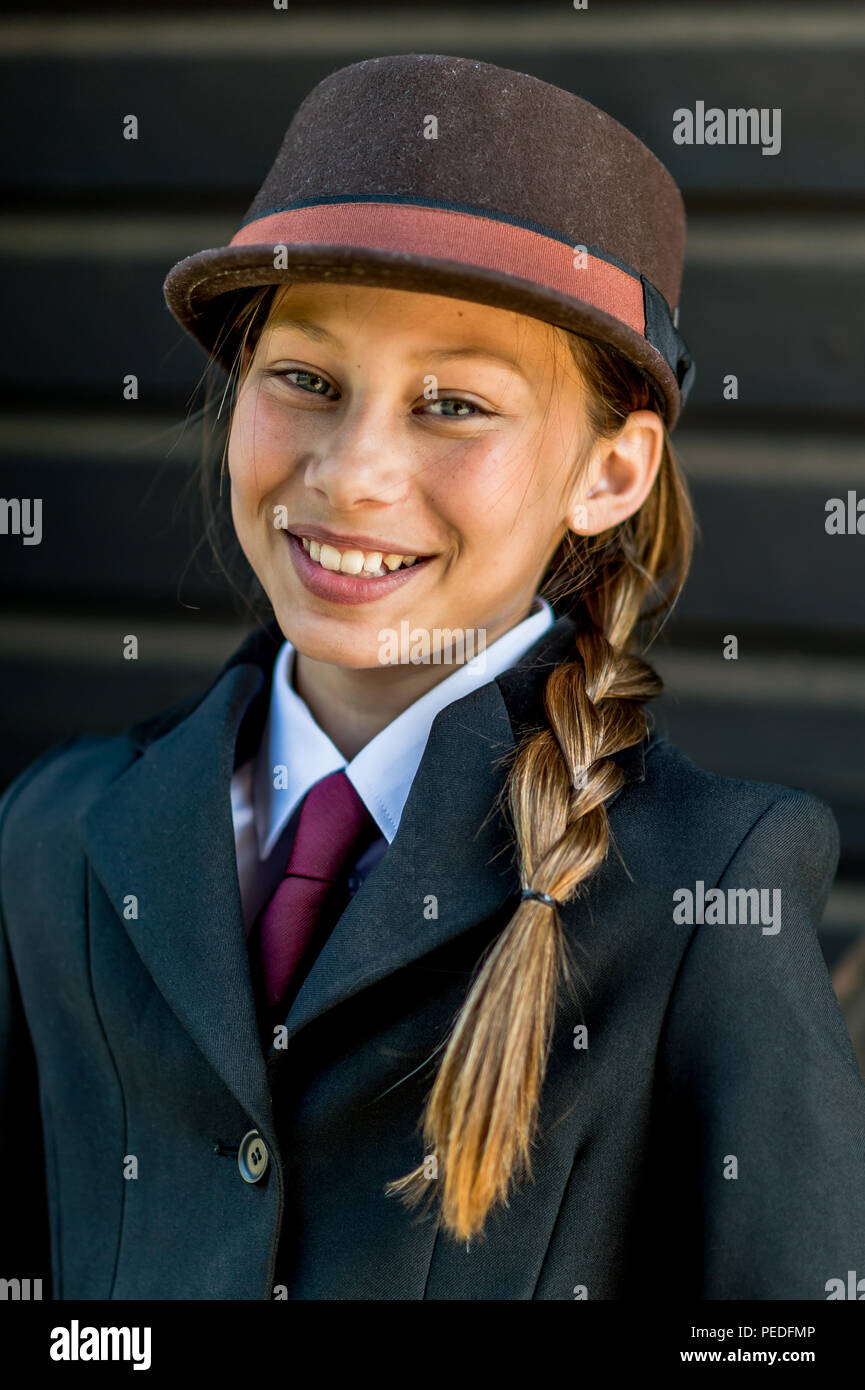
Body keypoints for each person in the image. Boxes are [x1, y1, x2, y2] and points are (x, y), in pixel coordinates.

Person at [1, 53, 863, 1302]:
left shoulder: (705, 895)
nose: (351, 475)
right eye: (304, 379)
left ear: (609, 474)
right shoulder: (56, 837)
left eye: (453, 403)